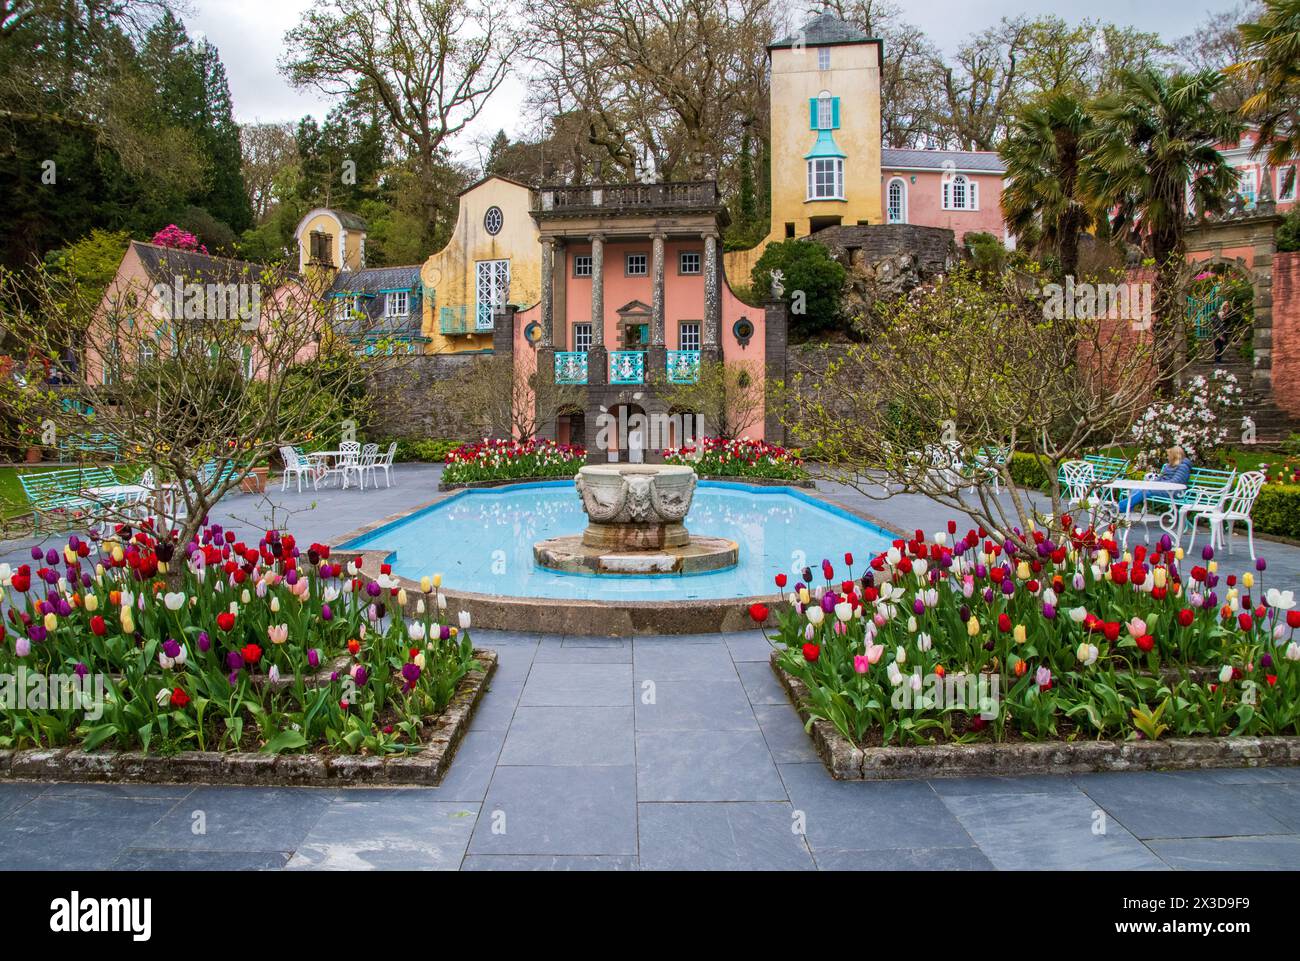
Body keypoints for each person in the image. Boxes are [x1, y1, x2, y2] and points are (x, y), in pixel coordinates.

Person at [1118, 447, 1192, 513]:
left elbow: (1175, 482)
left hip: (1174, 491)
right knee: (1140, 488)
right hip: (1163, 488)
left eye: (1169, 455)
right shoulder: (1169, 466)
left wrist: (1158, 485)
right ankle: (1127, 509)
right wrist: (1151, 484)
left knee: (1146, 491)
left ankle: (1120, 507)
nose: (1168, 457)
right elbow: (1160, 478)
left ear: (1174, 456)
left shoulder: (1183, 467)